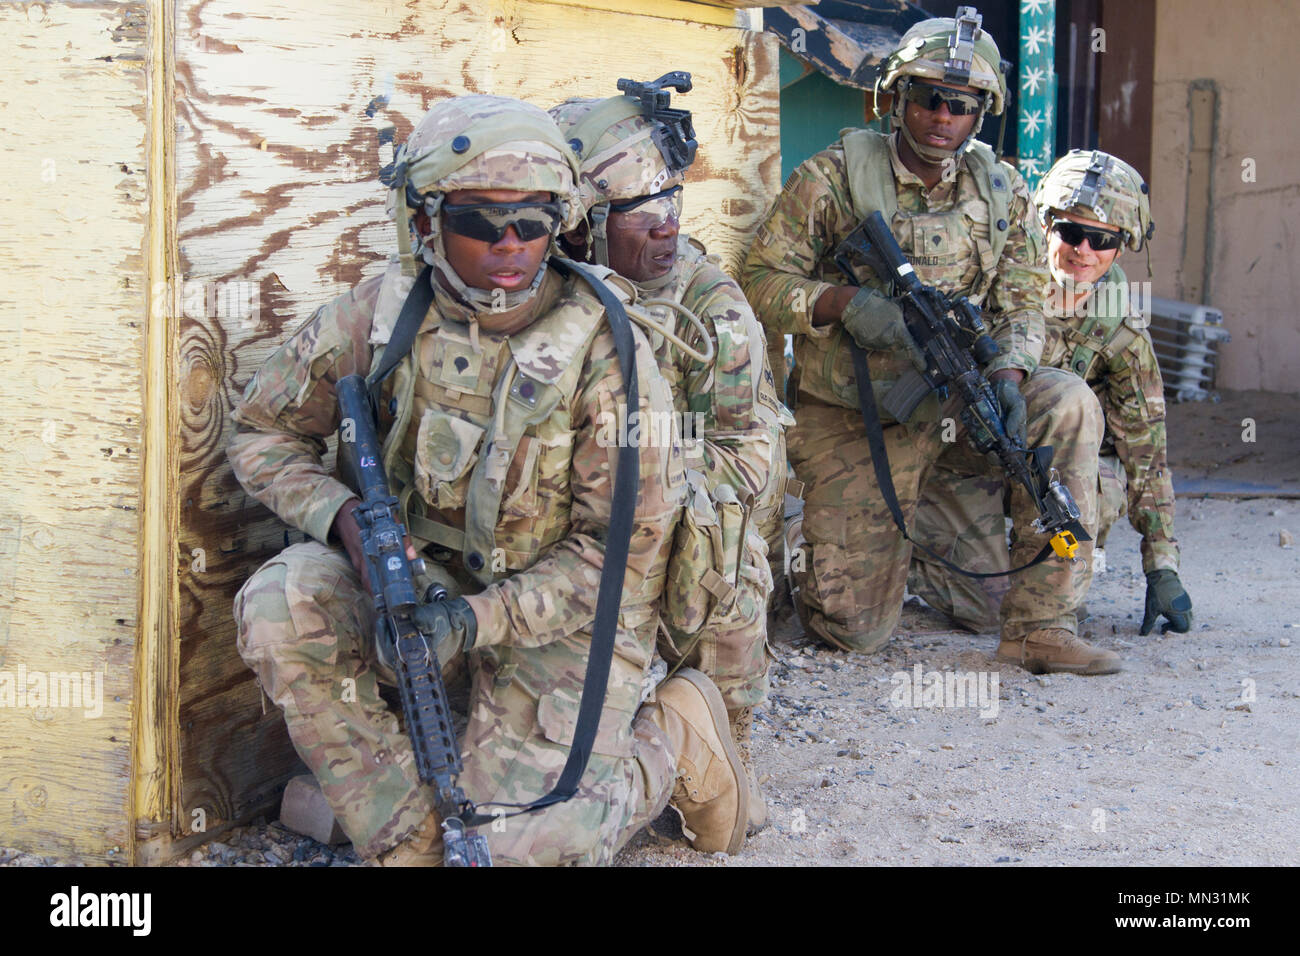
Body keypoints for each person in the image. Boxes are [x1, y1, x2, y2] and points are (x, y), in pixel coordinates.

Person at [229, 94, 750, 866]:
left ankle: (671, 738)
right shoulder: (379, 317)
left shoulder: (612, 356)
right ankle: (409, 840)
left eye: (533, 221)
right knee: (281, 603)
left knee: (527, 847)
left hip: (569, 617)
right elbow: (261, 429)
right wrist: (345, 523)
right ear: (428, 224)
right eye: (478, 221)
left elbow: (617, 562)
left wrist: (474, 623)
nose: (509, 243)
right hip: (423, 583)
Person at [741, 7, 1120, 675]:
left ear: (981, 113)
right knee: (850, 630)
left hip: (950, 407)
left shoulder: (998, 189)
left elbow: (1022, 302)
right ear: (898, 99)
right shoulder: (835, 177)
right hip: (856, 419)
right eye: (929, 99)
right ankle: (826, 527)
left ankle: (1040, 626)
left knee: (1066, 402)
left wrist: (1008, 375)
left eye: (961, 105)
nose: (943, 117)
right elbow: (760, 282)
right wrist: (845, 303)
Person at [549, 78, 792, 832]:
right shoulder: (540, 293)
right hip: (562, 530)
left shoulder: (707, 303)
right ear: (580, 225)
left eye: (673, 201)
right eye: (642, 210)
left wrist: (653, 496)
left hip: (667, 518)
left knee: (727, 548)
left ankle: (725, 741)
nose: (668, 228)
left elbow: (748, 451)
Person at [909, 149, 1193, 636]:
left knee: (1103, 485)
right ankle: (904, 549)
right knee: (984, 610)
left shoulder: (1121, 335)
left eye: (1101, 239)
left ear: (1120, 247)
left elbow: (1147, 454)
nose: (1082, 249)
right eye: (1069, 231)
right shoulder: (995, 291)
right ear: (1044, 227)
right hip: (965, 464)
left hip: (1049, 475)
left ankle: (1055, 575)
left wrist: (1161, 566)